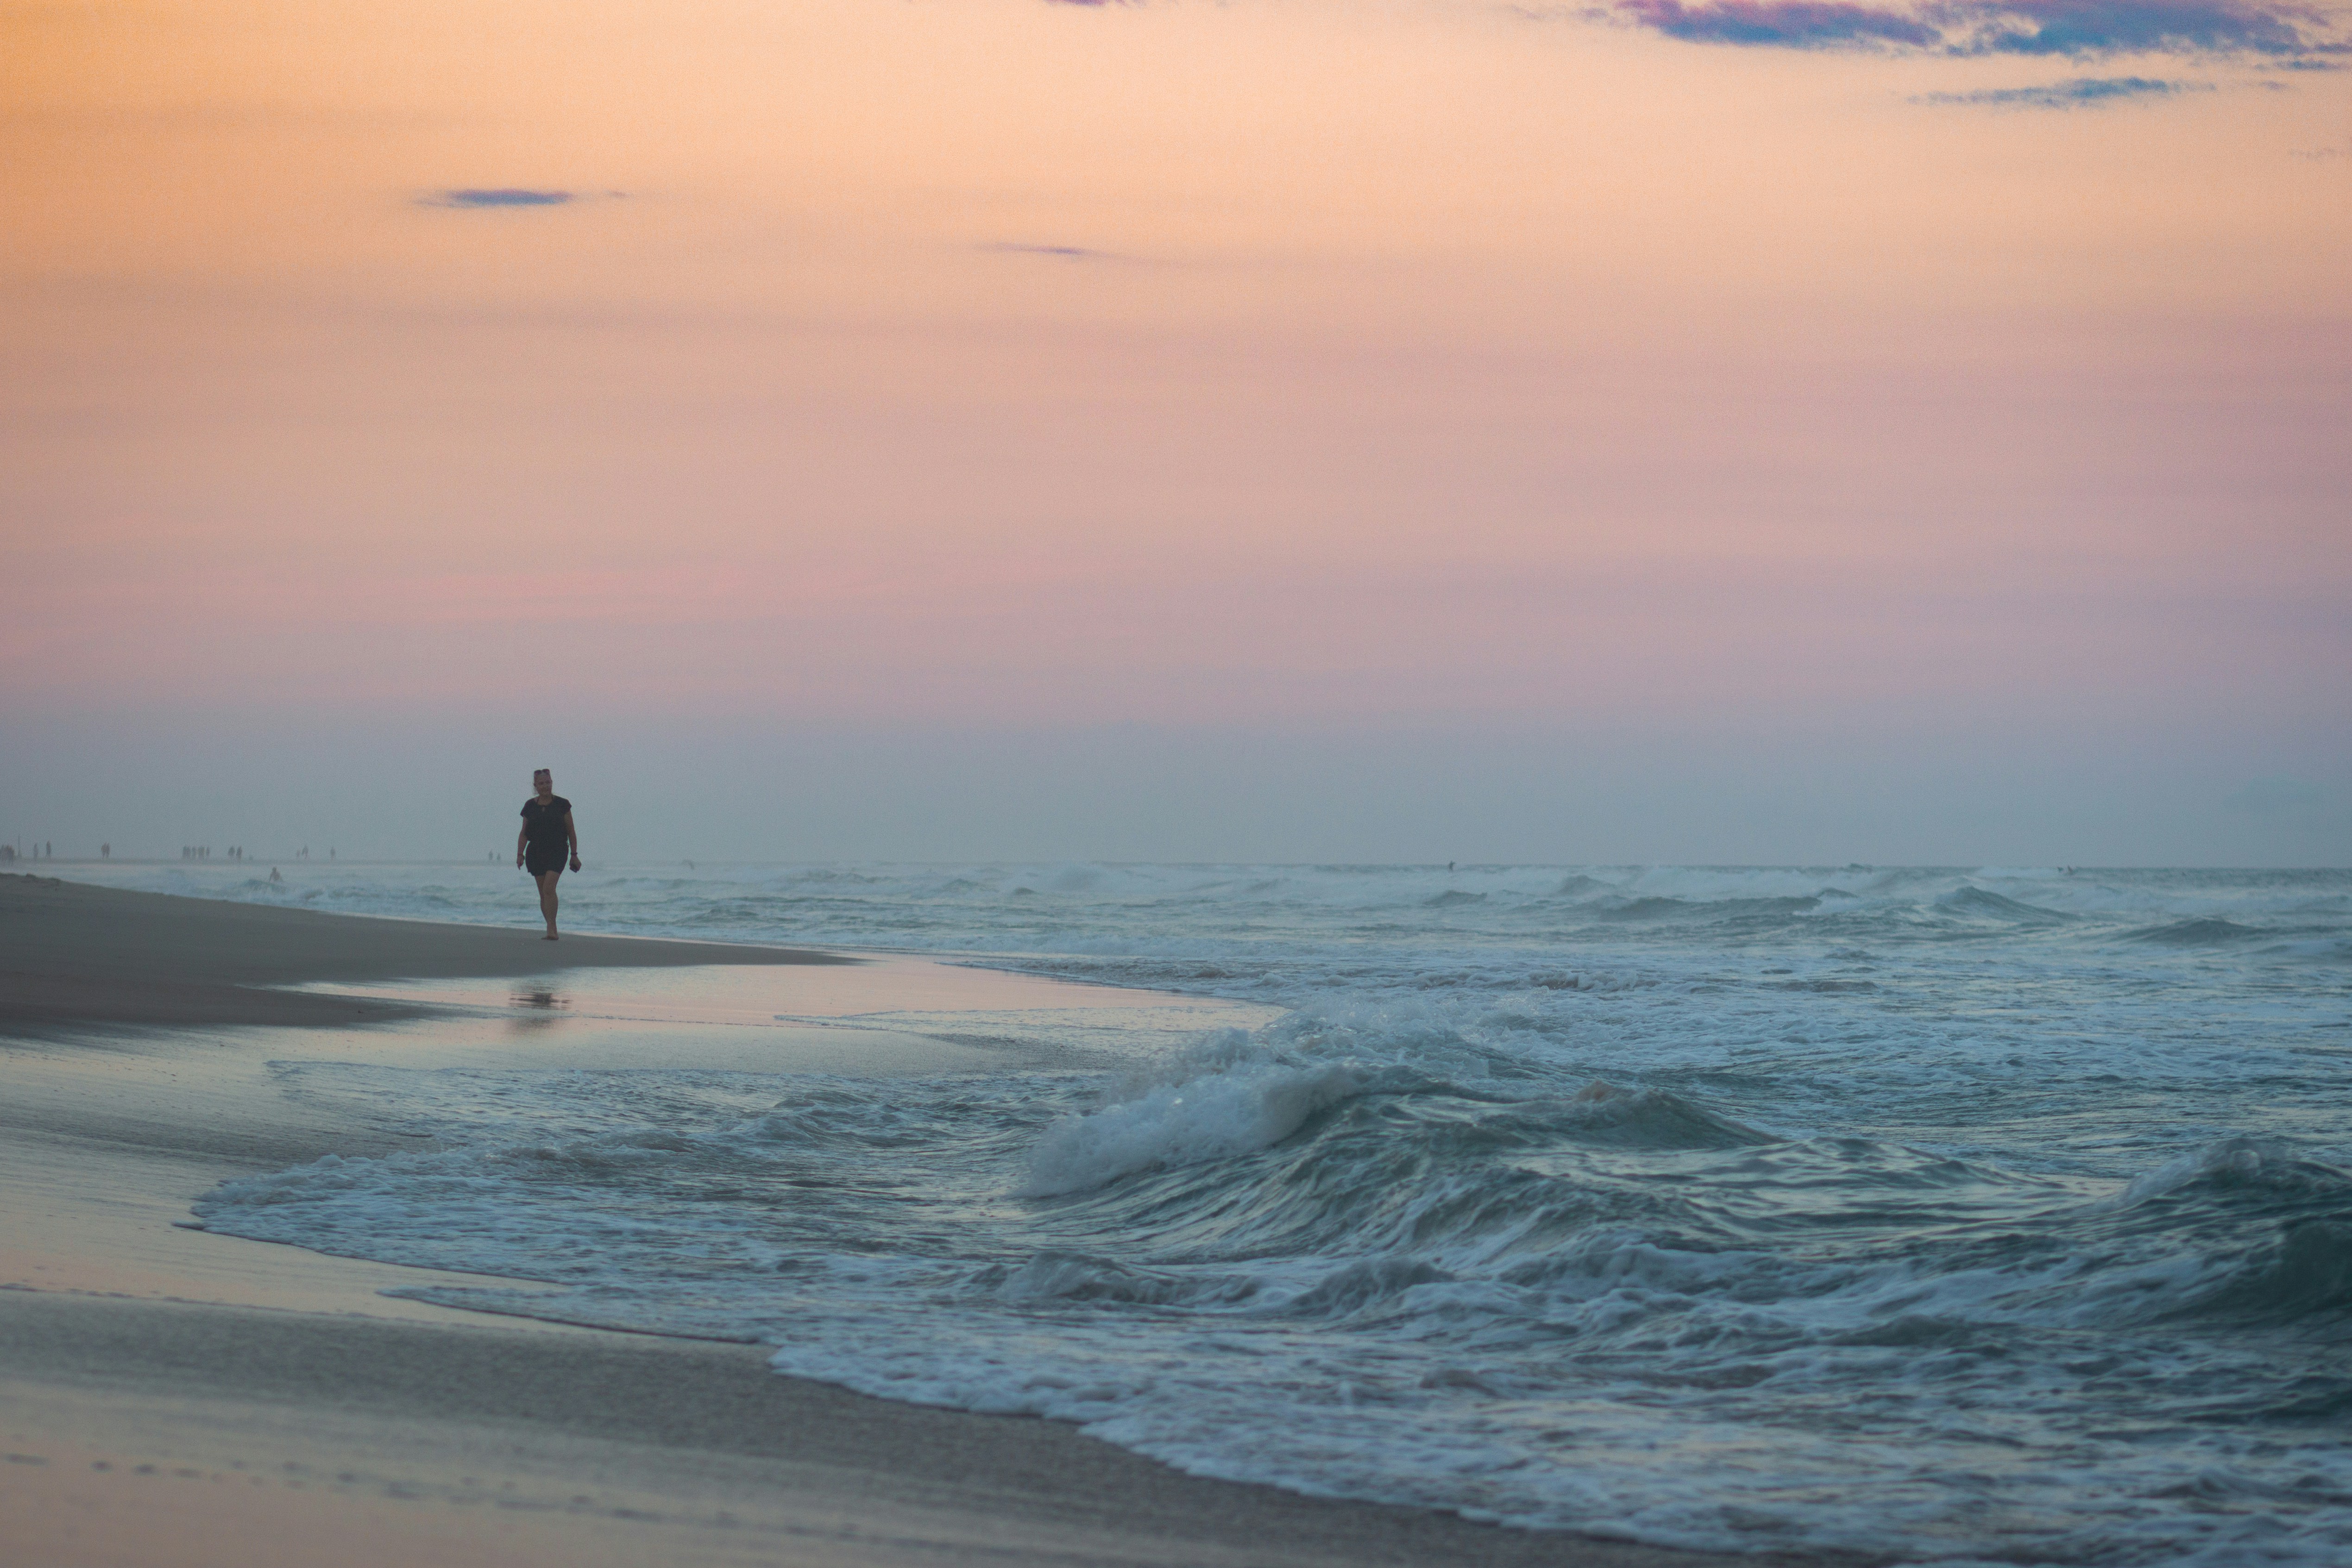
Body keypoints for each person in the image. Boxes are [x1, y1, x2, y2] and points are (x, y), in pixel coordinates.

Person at [515, 767, 581, 939]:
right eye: (541, 784)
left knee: (549, 888)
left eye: (548, 783)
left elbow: (571, 831)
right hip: (536, 852)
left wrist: (574, 854)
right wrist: (520, 854)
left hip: (558, 850)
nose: (545, 786)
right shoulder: (530, 806)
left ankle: (552, 929)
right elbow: (524, 833)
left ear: (552, 783)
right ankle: (551, 926)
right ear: (536, 786)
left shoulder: (562, 805)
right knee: (543, 893)